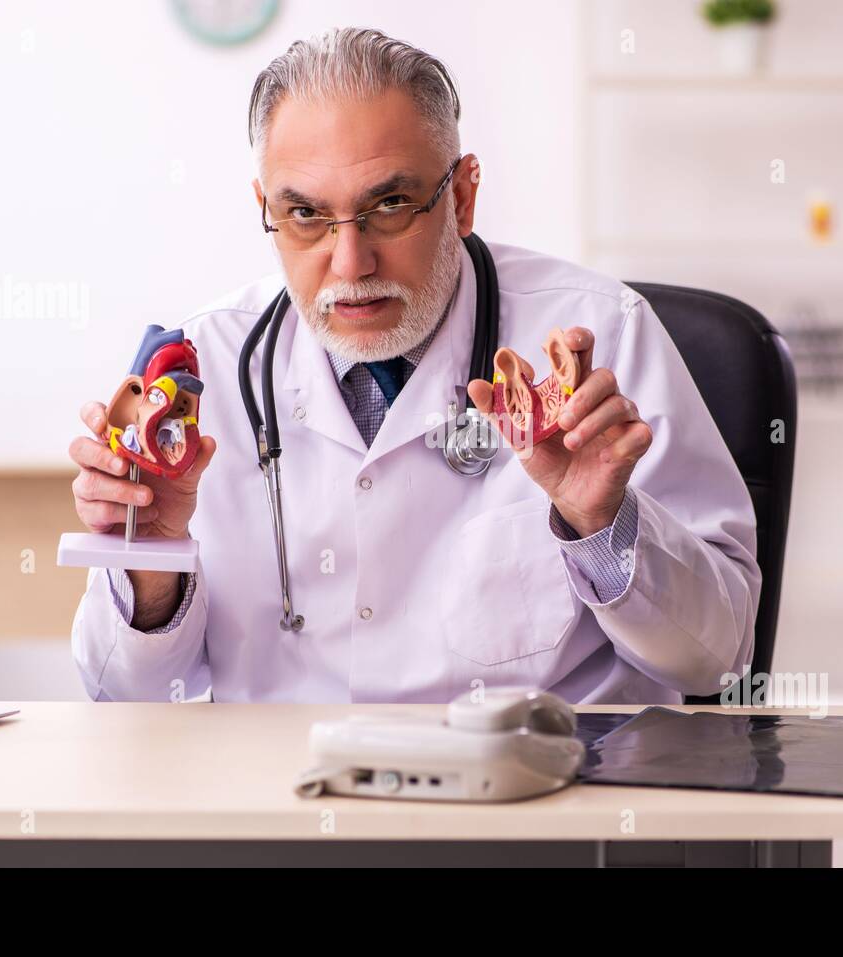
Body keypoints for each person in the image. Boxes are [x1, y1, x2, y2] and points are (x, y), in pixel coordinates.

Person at [67, 27, 760, 704]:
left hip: (537, 801)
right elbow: (125, 694)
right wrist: (150, 559)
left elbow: (717, 660)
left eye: (390, 205)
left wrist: (604, 522)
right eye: (305, 213)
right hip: (281, 803)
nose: (350, 263)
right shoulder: (201, 370)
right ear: (266, 209)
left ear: (461, 197)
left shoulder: (604, 336)